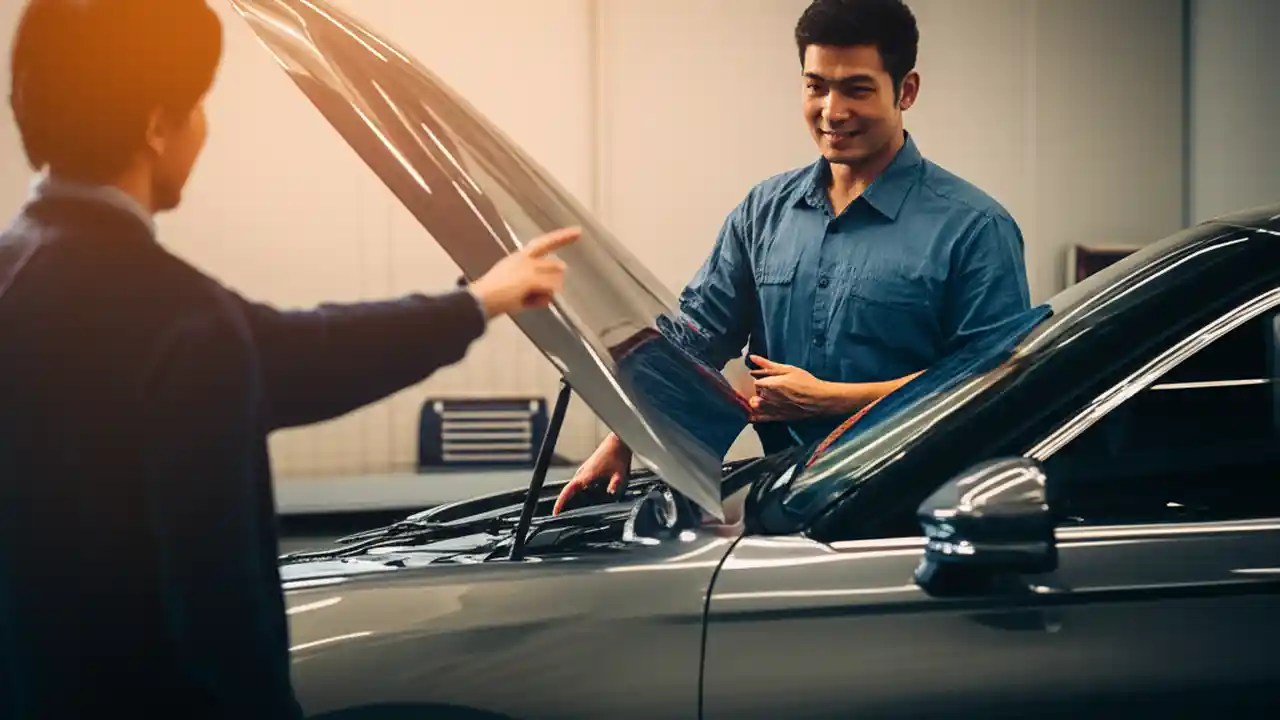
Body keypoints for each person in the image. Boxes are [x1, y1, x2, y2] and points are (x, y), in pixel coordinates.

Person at [0, 1, 578, 718]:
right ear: (156, 126)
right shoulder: (175, 317)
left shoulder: (29, 279)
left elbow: (290, 354)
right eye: (199, 106)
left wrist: (476, 302)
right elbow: (219, 617)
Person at [555, 0, 1030, 514]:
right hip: (783, 510)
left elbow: (996, 381)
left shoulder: (975, 227)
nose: (832, 110)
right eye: (816, 86)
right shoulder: (764, 211)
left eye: (857, 88)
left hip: (914, 519)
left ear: (906, 91)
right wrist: (624, 439)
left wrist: (837, 400)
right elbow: (696, 339)